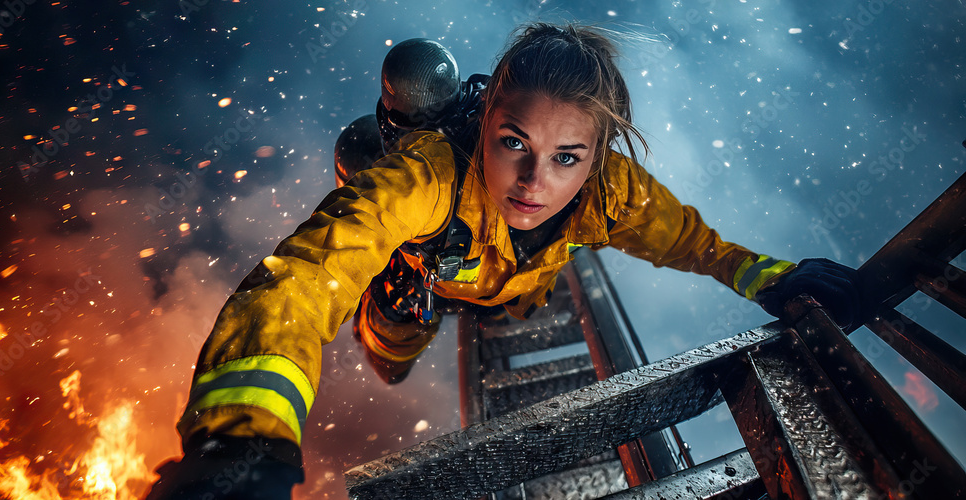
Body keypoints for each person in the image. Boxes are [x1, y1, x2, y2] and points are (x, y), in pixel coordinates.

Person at [146, 22, 862, 499]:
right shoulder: (426, 173)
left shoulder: (613, 192)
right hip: (431, 280)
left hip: (515, 289)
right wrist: (240, 440)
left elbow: (693, 242)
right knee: (392, 349)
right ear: (483, 119)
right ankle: (395, 313)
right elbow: (304, 277)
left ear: (596, 159)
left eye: (567, 158)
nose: (534, 183)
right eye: (514, 142)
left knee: (524, 294)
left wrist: (774, 277)